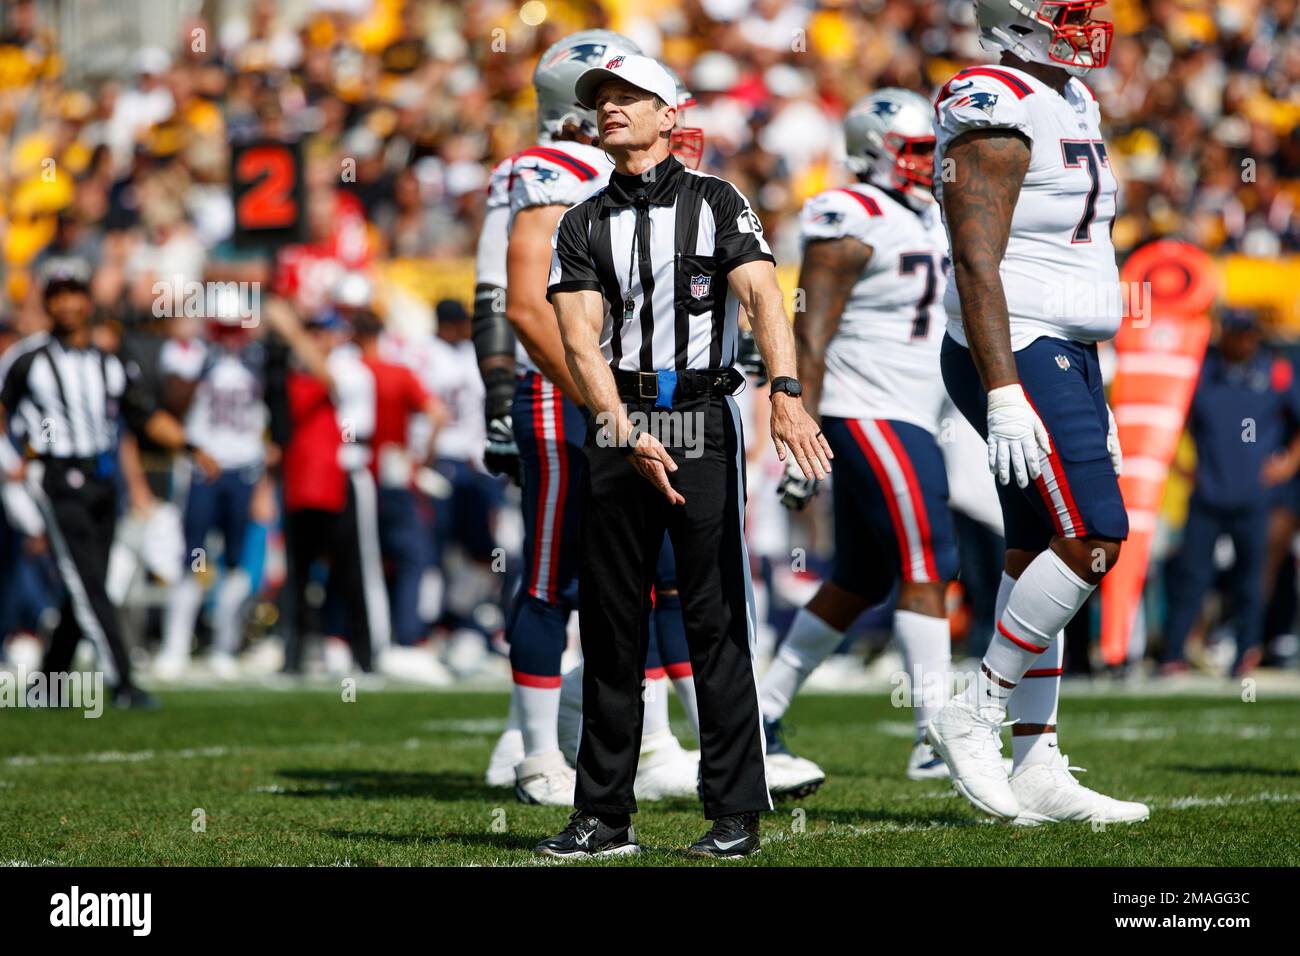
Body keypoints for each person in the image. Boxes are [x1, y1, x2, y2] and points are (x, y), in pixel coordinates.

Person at [540, 52, 830, 859]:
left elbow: (763, 294)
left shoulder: (716, 201)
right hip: (618, 416)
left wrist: (784, 388)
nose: (608, 109)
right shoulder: (582, 219)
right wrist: (621, 428)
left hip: (701, 413)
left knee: (714, 615)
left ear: (671, 114)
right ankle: (603, 817)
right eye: (600, 99)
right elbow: (578, 340)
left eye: (628, 97)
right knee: (610, 624)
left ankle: (735, 812)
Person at [930, 0, 1149, 825]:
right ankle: (976, 711)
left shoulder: (1073, 98)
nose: (1086, 21)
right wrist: (1004, 388)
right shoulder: (992, 96)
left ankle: (1036, 761)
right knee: (1095, 535)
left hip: (1067, 350)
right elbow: (975, 256)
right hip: (1016, 345)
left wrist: (1101, 386)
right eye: (1068, 8)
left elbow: (1083, 249)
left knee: (1035, 547)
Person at [498, 31, 698, 807]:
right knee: (551, 577)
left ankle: (660, 745)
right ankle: (537, 756)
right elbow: (520, 305)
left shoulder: (639, 181)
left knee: (649, 577)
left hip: (635, 394)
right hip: (567, 394)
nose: (624, 106)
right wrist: (604, 405)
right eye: (612, 93)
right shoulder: (549, 169)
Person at [760, 89, 957, 788]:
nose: (927, 163)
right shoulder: (849, 211)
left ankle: (763, 709)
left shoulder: (927, 215)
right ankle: (935, 734)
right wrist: (797, 427)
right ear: (872, 147)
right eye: (915, 149)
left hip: (915, 409)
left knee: (861, 576)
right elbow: (809, 328)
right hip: (867, 406)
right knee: (929, 556)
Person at [0, 259, 216, 708]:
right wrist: (11, 463)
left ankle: (48, 686)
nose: (67, 304)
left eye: (74, 293)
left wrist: (191, 447)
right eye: (58, 295)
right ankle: (124, 681)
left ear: (87, 300)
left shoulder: (108, 362)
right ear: (47, 302)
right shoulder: (26, 359)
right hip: (55, 478)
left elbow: (145, 415)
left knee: (88, 581)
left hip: (102, 478)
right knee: (90, 584)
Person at [1161, 308, 1300, 676]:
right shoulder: (1202, 372)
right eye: (1239, 334)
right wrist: (1180, 462)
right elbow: (1171, 417)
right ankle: (1173, 654)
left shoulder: (1275, 372)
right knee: (1192, 577)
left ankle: (1244, 655)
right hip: (1208, 494)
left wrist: (1287, 463)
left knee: (1250, 581)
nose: (1246, 341)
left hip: (1254, 497)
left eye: (1251, 334)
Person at [156, 288, 269, 680]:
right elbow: (173, 403)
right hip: (205, 469)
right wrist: (202, 362)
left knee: (237, 562)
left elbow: (270, 417)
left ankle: (225, 644)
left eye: (236, 328)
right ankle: (176, 645)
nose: (232, 336)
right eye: (224, 328)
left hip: (244, 471)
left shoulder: (257, 361)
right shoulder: (194, 357)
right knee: (194, 558)